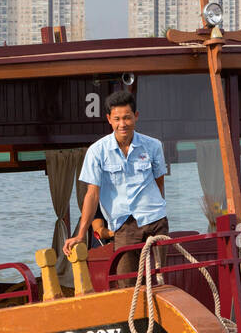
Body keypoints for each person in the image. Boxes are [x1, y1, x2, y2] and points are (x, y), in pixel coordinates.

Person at [63, 89, 167, 287]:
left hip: (155, 221)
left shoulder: (154, 146)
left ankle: (159, 316)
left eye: (127, 118)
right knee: (127, 284)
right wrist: (80, 234)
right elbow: (92, 194)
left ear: (136, 117)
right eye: (117, 118)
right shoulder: (97, 151)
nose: (122, 124)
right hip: (123, 225)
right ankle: (136, 318)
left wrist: (160, 211)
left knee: (159, 280)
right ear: (109, 119)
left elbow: (159, 183)